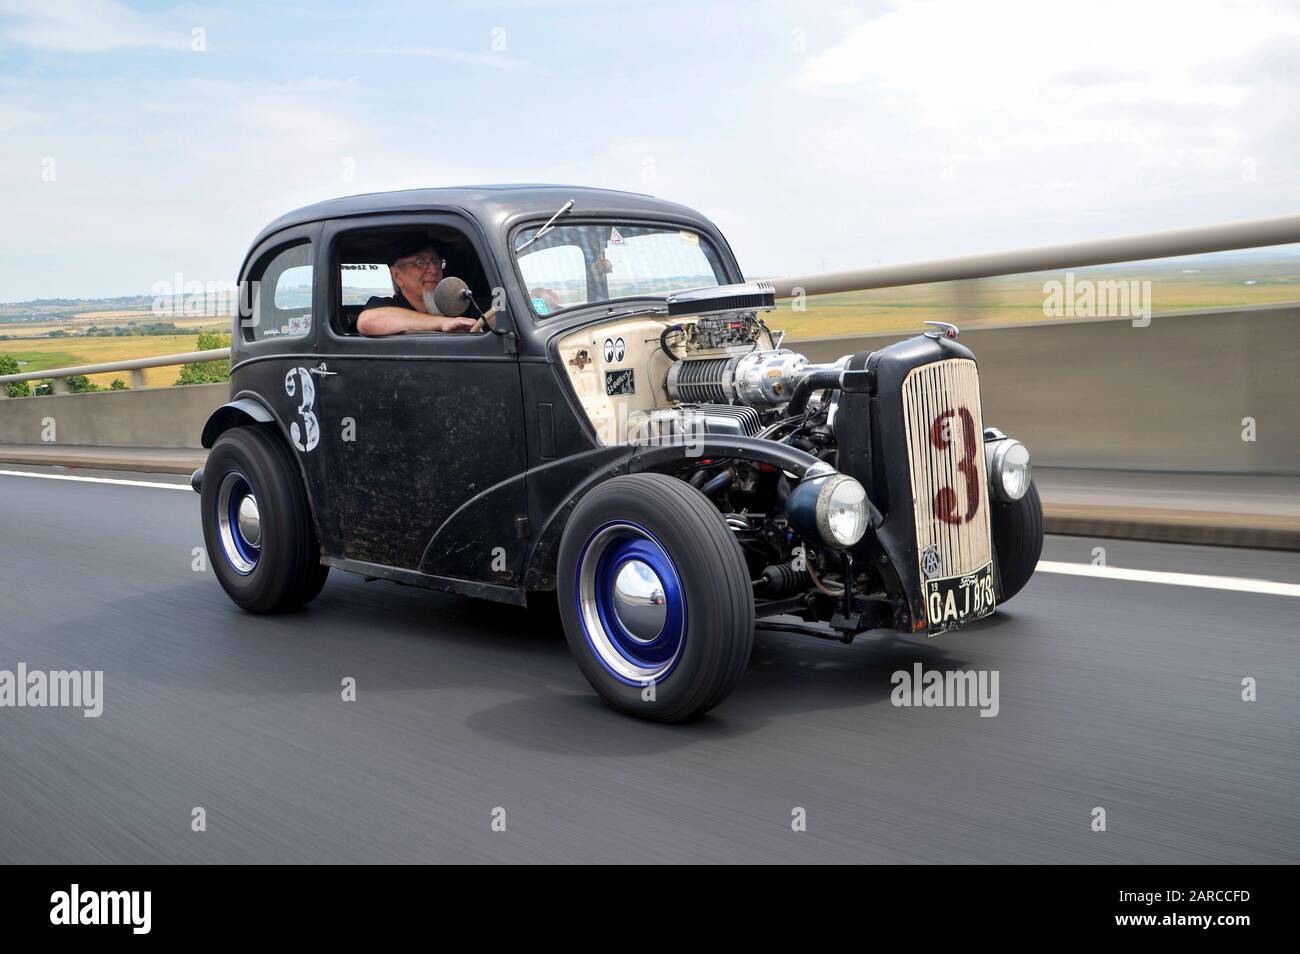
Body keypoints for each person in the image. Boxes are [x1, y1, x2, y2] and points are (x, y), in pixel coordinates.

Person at [356, 242, 479, 336]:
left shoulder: (458, 304)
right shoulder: (384, 306)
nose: (434, 270)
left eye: (436, 262)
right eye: (420, 262)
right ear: (397, 276)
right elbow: (367, 322)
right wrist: (442, 323)